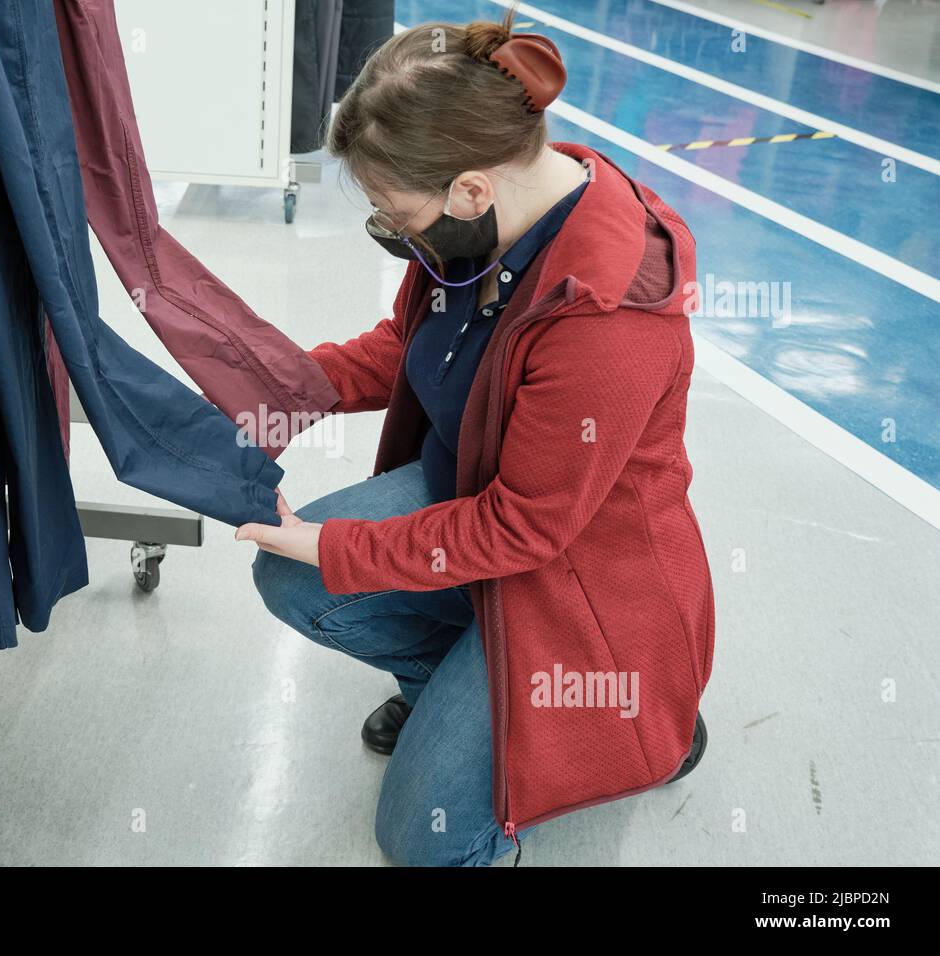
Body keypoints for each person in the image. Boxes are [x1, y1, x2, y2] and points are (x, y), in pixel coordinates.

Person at [236, 9, 715, 866]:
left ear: (470, 189)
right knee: (292, 576)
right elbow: (408, 350)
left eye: (394, 214)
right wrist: (270, 394)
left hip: (579, 583)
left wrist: (336, 542)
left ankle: (644, 719)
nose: (394, 233)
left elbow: (526, 529)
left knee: (422, 839)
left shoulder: (606, 313)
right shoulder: (488, 227)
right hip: (475, 495)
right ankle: (452, 684)